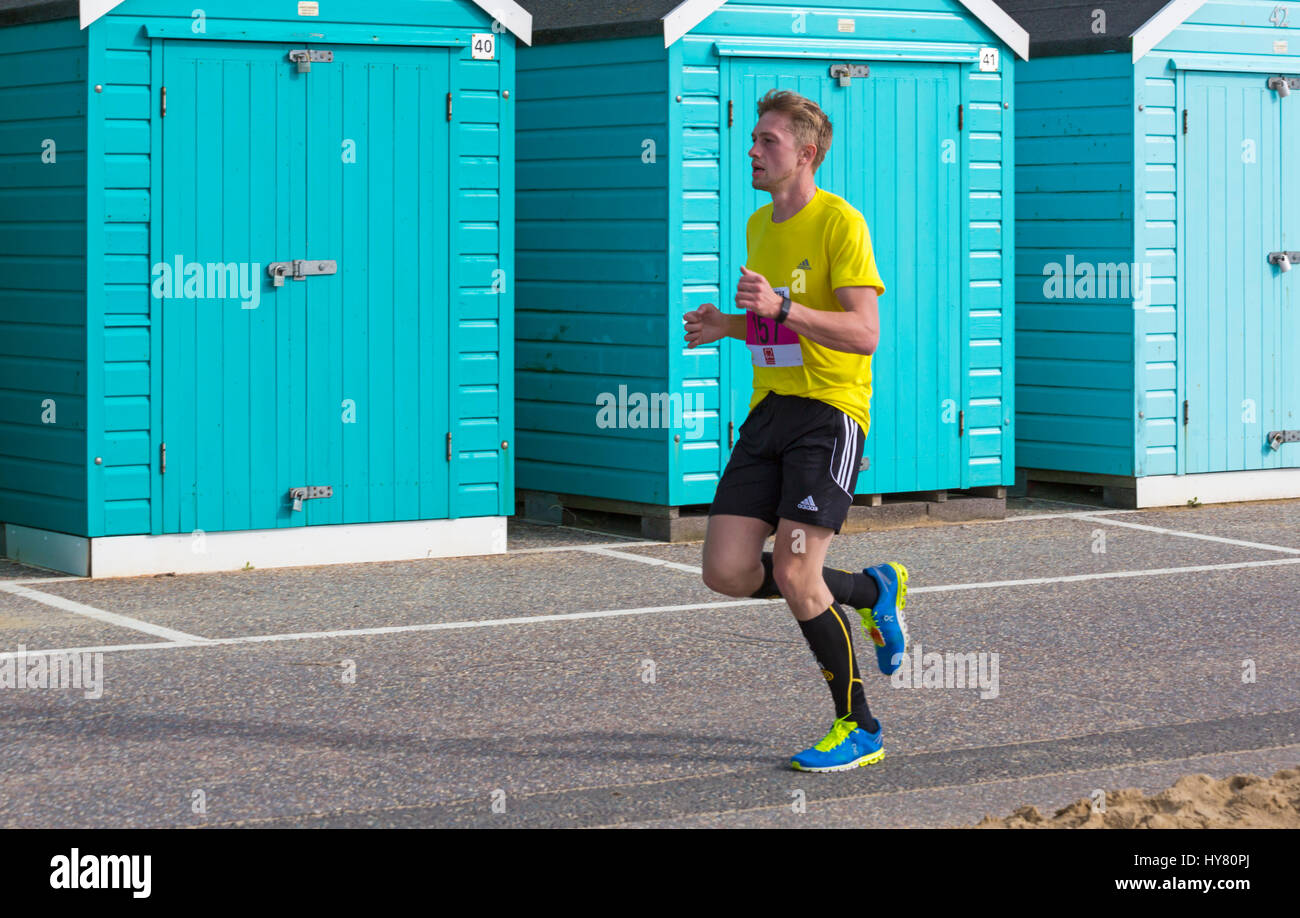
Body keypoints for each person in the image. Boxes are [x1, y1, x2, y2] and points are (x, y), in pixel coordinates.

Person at [683, 89, 909, 772]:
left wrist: (782, 306)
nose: (751, 150)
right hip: (770, 409)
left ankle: (860, 726)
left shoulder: (841, 223)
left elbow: (864, 334)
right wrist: (728, 324)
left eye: (768, 140)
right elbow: (772, 324)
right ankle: (873, 592)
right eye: (753, 138)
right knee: (724, 570)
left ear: (805, 154)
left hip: (828, 415)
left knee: (793, 568)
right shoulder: (759, 225)